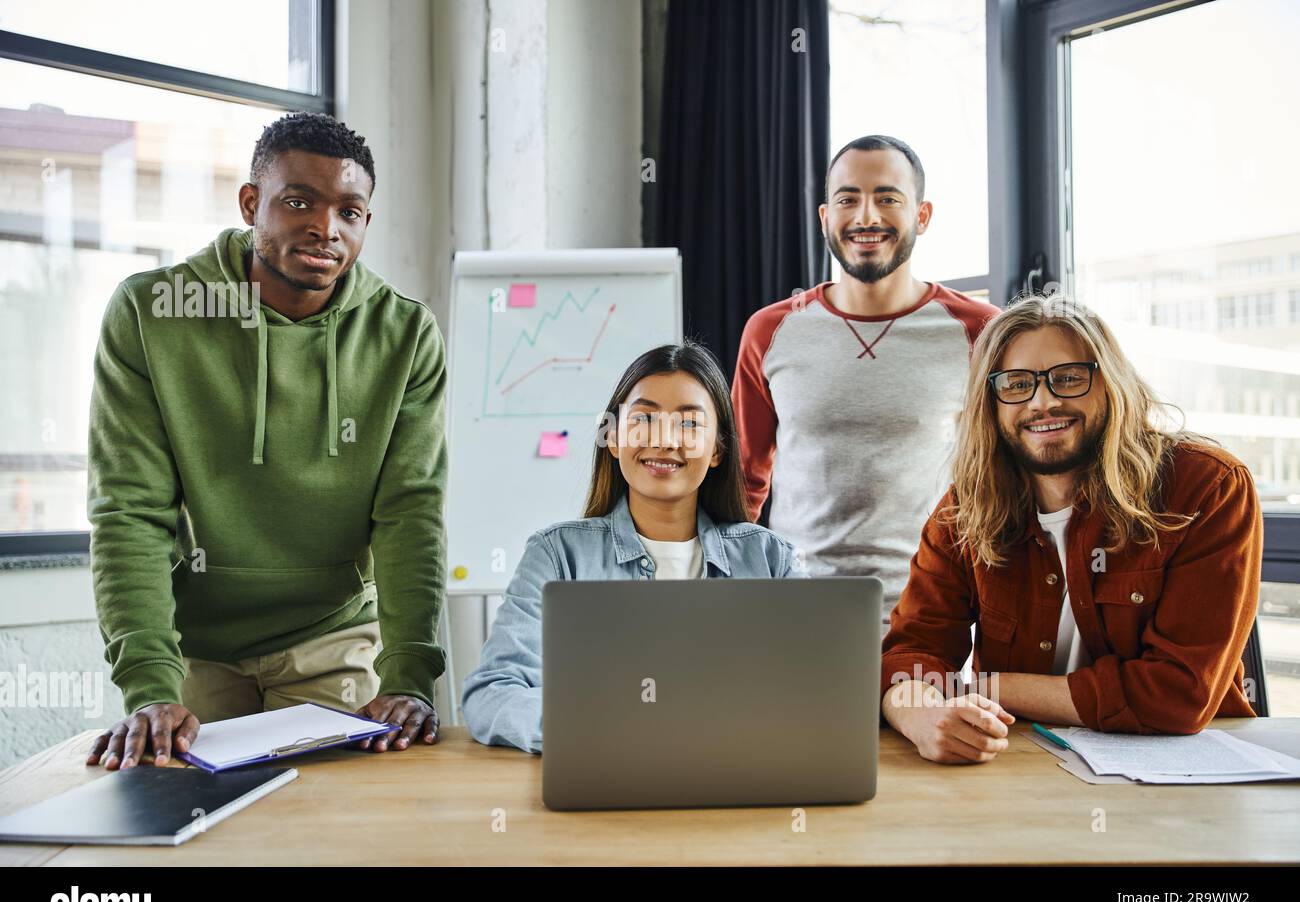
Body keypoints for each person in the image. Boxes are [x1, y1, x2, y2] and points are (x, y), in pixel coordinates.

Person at [86, 112, 447, 770]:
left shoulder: (405, 336)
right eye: (299, 202)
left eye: (350, 211)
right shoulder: (150, 314)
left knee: (334, 834)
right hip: (195, 645)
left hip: (331, 638)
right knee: (198, 828)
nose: (325, 229)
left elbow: (410, 513)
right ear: (252, 203)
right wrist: (148, 687)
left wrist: (408, 678)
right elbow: (128, 510)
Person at [880, 294, 1261, 764]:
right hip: (1016, 763)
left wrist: (990, 687)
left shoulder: (1206, 487)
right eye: (1017, 384)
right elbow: (910, 657)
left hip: (1185, 769)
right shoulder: (965, 507)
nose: (1045, 401)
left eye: (1068, 378)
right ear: (992, 404)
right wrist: (922, 717)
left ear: (1110, 384)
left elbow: (1177, 695)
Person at [461, 342, 799, 753]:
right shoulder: (557, 556)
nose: (664, 440)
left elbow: (811, 686)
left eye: (690, 424)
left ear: (717, 451)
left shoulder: (771, 561)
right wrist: (591, 729)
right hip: (601, 782)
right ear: (615, 438)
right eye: (644, 418)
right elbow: (493, 691)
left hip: (733, 781)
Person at [732, 134, 999, 616]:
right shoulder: (769, 331)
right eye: (848, 200)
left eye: (887, 198)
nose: (866, 217)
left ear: (922, 215)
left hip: (932, 611)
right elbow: (744, 479)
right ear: (825, 217)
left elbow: (1005, 474)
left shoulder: (981, 331)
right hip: (795, 609)